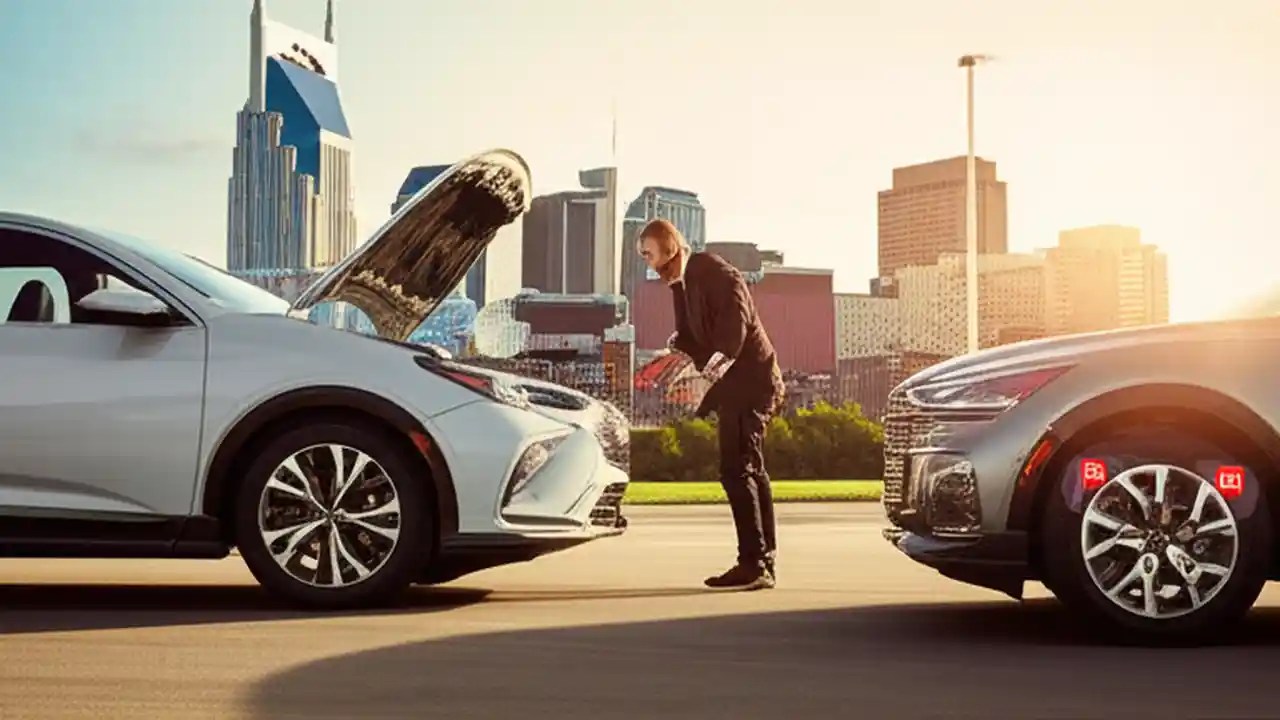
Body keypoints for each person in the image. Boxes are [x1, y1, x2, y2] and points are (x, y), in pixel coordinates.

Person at [636, 219, 785, 590]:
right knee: (749, 467)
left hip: (751, 381)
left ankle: (754, 564)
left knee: (737, 468)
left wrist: (711, 371)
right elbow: (690, 334)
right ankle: (763, 559)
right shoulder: (681, 284)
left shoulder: (714, 271)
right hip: (738, 384)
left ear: (668, 247)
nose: (647, 263)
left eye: (648, 253)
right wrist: (676, 346)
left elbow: (736, 323)